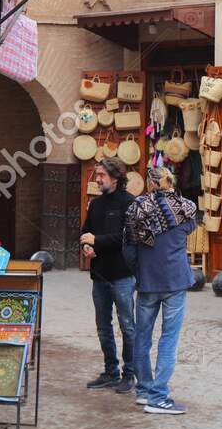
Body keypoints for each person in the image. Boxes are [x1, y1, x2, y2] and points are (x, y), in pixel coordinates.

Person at [124, 166, 199, 414]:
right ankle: (159, 396)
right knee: (169, 338)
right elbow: (188, 230)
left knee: (142, 337)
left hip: (147, 282)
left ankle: (144, 391)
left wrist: (138, 271)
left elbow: (129, 249)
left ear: (149, 183)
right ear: (171, 181)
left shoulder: (136, 208)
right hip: (175, 280)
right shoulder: (186, 208)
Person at [79, 158, 137, 393]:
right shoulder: (95, 205)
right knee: (103, 326)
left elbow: (128, 237)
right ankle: (110, 371)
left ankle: (129, 374)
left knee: (127, 326)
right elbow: (85, 233)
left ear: (115, 177)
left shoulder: (130, 203)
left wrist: (97, 241)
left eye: (102, 175)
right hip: (99, 275)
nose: (98, 179)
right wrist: (86, 247)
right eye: (97, 174)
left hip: (122, 275)